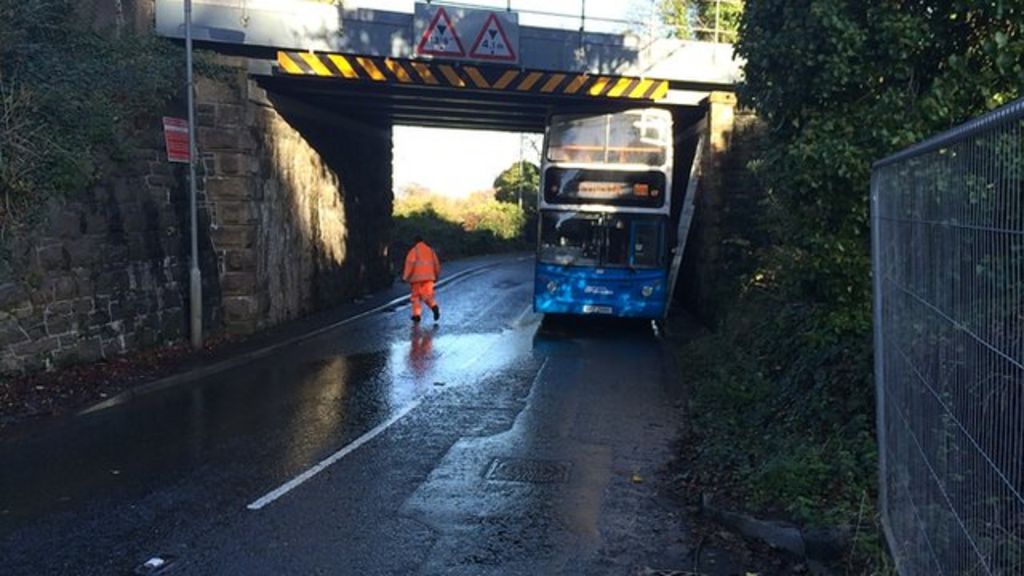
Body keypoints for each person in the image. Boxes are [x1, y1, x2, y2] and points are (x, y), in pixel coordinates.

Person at [402, 235, 441, 323]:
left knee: (416, 297)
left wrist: (405, 277)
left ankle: (416, 315)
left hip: (416, 279)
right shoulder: (430, 251)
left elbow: (410, 265)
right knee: (427, 296)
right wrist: (436, 276)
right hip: (429, 278)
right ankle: (434, 306)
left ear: (415, 242)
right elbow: (436, 265)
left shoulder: (413, 251)